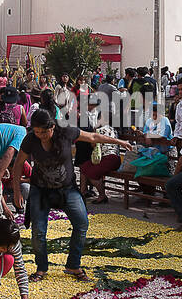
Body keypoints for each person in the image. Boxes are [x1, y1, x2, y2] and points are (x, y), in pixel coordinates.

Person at [11, 110, 132, 280]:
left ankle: (73, 265)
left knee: (82, 223)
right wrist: (17, 190)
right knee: (38, 231)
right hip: (41, 189)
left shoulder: (66, 132)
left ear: (52, 127)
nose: (41, 136)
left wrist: (120, 142)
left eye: (44, 132)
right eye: (37, 132)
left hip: (66, 188)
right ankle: (41, 268)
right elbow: (18, 164)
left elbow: (93, 137)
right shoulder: (31, 139)